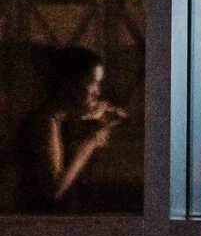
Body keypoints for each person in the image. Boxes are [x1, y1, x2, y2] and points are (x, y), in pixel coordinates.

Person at [15, 47, 124, 214]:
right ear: (68, 84)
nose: (97, 92)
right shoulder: (45, 122)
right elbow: (54, 189)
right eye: (92, 83)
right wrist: (91, 139)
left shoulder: (64, 121)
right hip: (45, 224)